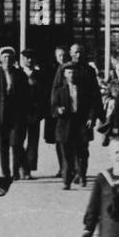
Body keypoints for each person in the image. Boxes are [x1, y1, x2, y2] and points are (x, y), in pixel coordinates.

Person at [51, 51, 105, 188]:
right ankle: (66, 181)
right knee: (67, 153)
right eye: (69, 72)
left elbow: (93, 104)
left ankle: (82, 176)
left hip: (81, 123)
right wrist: (58, 110)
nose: (72, 75)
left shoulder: (84, 89)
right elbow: (53, 106)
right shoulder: (59, 90)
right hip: (65, 123)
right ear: (64, 75)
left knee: (82, 152)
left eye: (74, 72)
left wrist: (91, 118)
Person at [0, 46, 33, 181]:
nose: (7, 59)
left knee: (16, 143)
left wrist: (28, 112)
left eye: (10, 57)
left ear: (14, 59)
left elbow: (27, 96)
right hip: (0, 116)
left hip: (17, 116)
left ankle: (16, 170)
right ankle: (6, 173)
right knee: (3, 145)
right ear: (0, 59)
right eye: (4, 57)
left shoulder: (20, 74)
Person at [19, 49, 48, 177]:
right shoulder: (18, 74)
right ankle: (19, 166)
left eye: (31, 58)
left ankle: (28, 169)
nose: (29, 60)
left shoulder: (40, 75)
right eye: (27, 58)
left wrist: (40, 112)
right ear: (23, 59)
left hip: (35, 113)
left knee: (33, 142)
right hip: (20, 114)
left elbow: (43, 94)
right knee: (18, 141)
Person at [43, 46, 68, 178]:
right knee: (59, 140)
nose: (62, 58)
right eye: (59, 56)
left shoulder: (71, 69)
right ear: (55, 57)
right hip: (55, 111)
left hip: (70, 111)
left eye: (64, 55)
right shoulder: (51, 71)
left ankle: (70, 167)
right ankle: (62, 167)